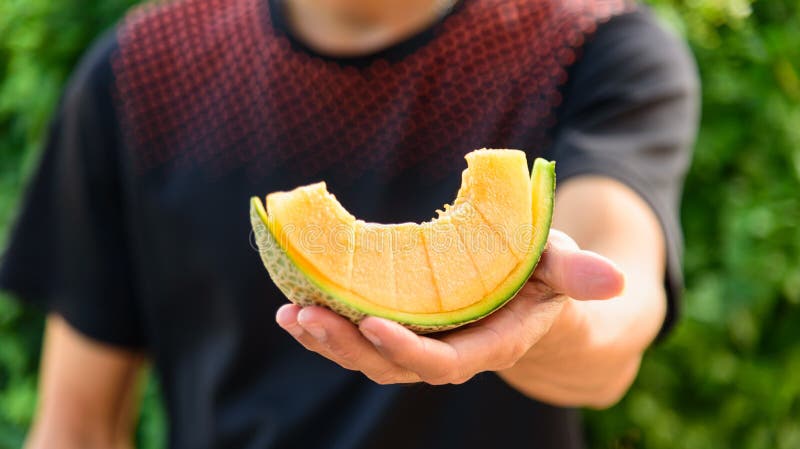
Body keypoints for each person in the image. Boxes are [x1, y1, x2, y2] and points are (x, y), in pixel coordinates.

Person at [0, 0, 699, 447]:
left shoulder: (597, 47)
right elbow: (77, 425)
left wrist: (553, 319)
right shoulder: (142, 69)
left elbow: (615, 306)